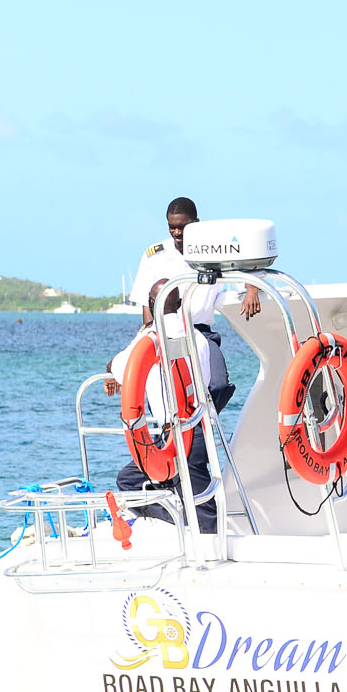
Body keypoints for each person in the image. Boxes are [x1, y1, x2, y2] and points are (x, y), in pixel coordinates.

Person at [106, 281, 223, 531]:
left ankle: (190, 530)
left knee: (133, 485)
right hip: (198, 428)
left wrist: (112, 371)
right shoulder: (199, 338)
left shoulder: (150, 339)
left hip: (177, 433)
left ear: (151, 305)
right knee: (135, 480)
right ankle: (185, 524)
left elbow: (117, 367)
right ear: (180, 305)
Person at [127, 196, 261, 411]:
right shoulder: (154, 255)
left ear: (196, 223)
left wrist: (252, 289)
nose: (177, 233)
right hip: (166, 333)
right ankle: (174, 436)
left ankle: (197, 426)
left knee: (218, 385)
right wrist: (151, 337)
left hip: (201, 332)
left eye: (182, 227)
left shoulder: (215, 250)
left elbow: (242, 271)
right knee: (164, 395)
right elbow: (146, 302)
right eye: (172, 227)